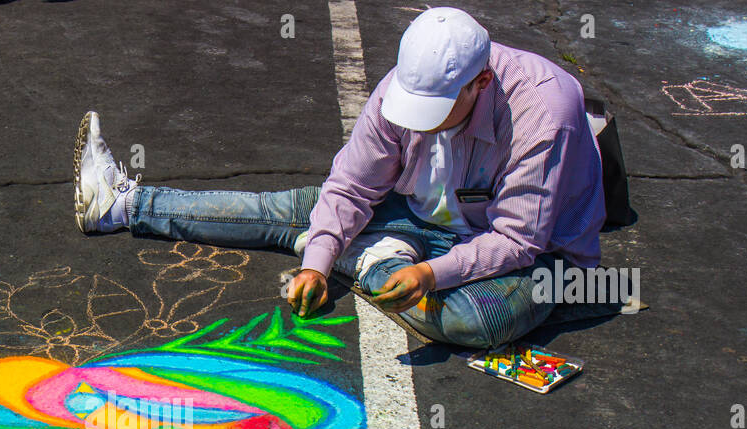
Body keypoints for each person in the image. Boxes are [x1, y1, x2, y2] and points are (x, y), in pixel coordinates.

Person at [72, 7, 609, 349]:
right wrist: (315, 265)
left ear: (482, 82)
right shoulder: (403, 86)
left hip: (533, 256)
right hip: (423, 212)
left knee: (474, 323)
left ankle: (371, 257)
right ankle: (125, 205)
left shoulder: (544, 109)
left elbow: (517, 241)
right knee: (290, 212)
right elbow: (351, 187)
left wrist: (428, 275)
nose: (417, 119)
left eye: (436, 109)